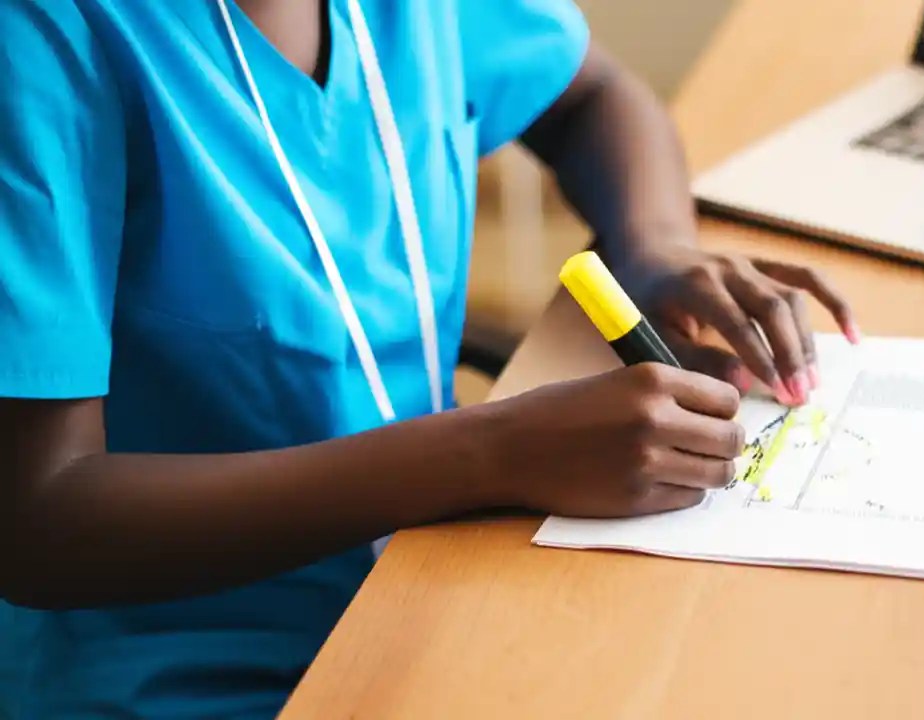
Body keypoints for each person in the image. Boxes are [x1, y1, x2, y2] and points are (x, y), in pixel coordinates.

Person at [0, 0, 858, 717]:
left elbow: (593, 91)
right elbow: (37, 523)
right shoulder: (43, 38)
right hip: (189, 677)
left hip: (440, 576)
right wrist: (491, 452)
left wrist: (656, 244)